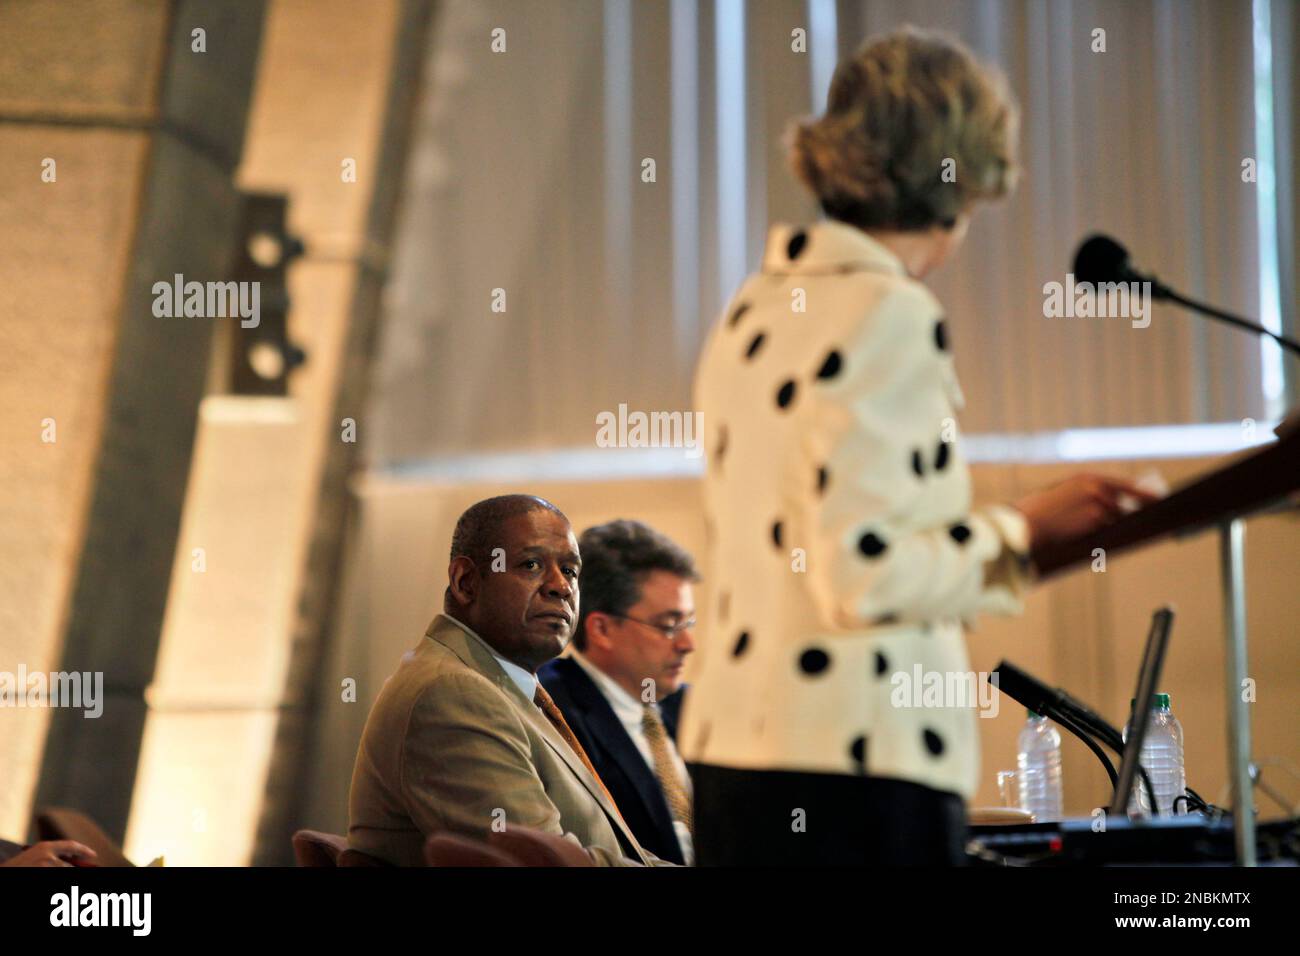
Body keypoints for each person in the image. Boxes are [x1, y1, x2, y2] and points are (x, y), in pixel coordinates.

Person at [680, 27, 1157, 865]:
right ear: (963, 178)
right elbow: (865, 577)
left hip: (736, 762)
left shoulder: (753, 307)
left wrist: (1024, 543)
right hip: (854, 774)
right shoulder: (886, 312)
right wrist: (1017, 528)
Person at [347, 494, 669, 866]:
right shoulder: (453, 693)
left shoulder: (491, 684)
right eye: (531, 564)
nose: (561, 587)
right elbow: (546, 860)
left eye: (570, 571)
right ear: (466, 582)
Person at [539, 519, 699, 865]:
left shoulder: (692, 707)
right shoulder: (552, 713)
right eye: (669, 626)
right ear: (602, 629)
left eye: (688, 623)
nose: (688, 644)